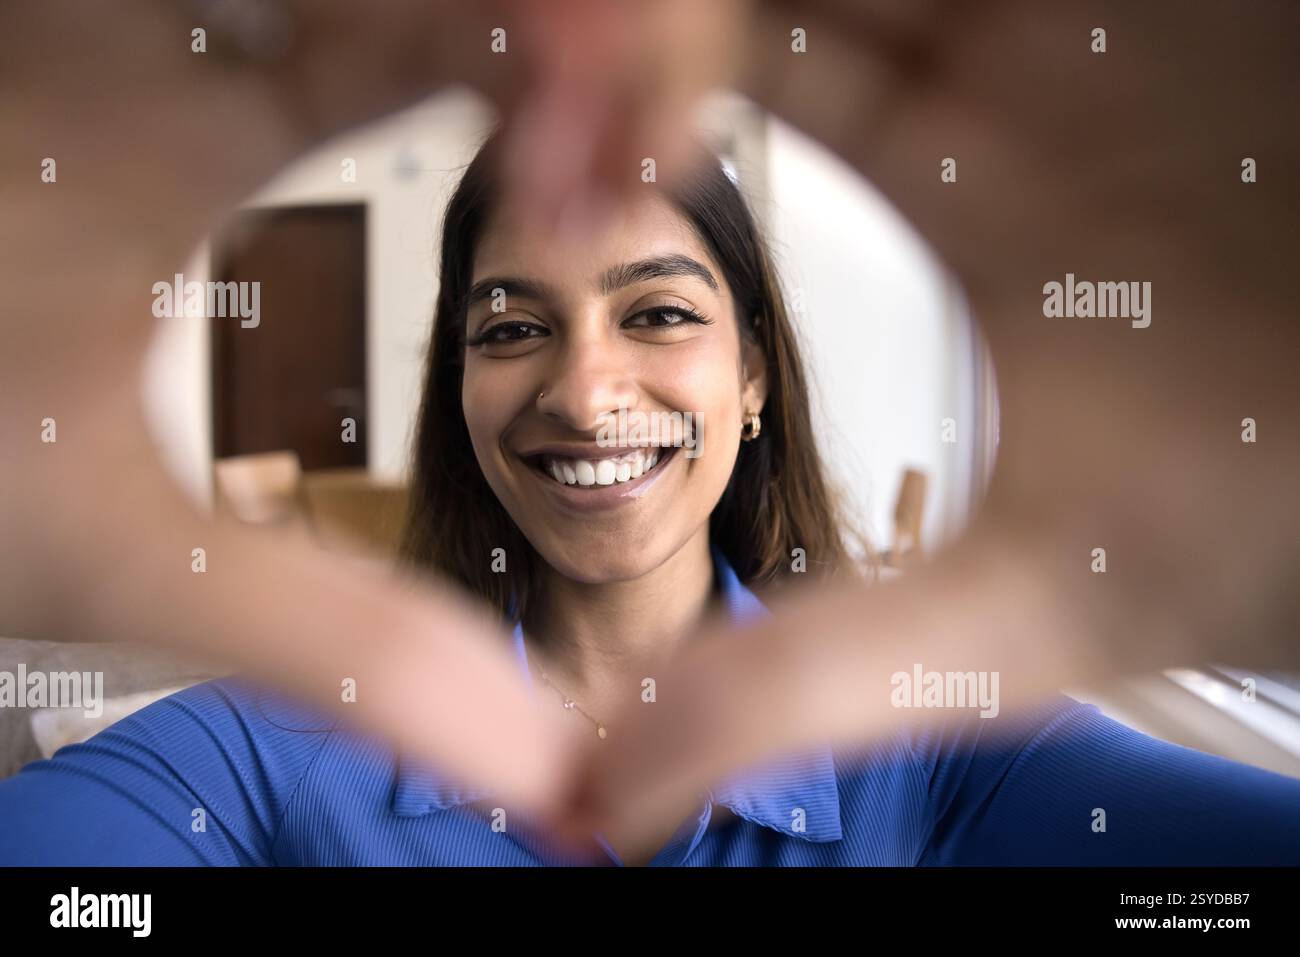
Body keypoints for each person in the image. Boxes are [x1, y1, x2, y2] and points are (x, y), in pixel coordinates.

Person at [2, 0, 1297, 854]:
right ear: (458, 386)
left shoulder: (933, 747)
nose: (582, 390)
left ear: (754, 377)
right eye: (511, 327)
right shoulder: (274, 750)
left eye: (661, 314)